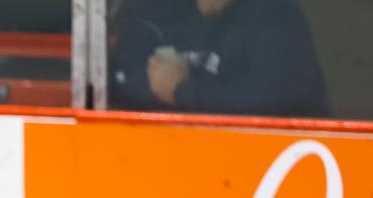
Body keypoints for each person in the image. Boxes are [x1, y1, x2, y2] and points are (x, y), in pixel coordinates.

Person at [110, 0, 329, 118]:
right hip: (165, 159)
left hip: (254, 164)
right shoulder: (155, 13)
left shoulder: (277, 15)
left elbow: (276, 103)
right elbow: (119, 87)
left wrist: (182, 91)